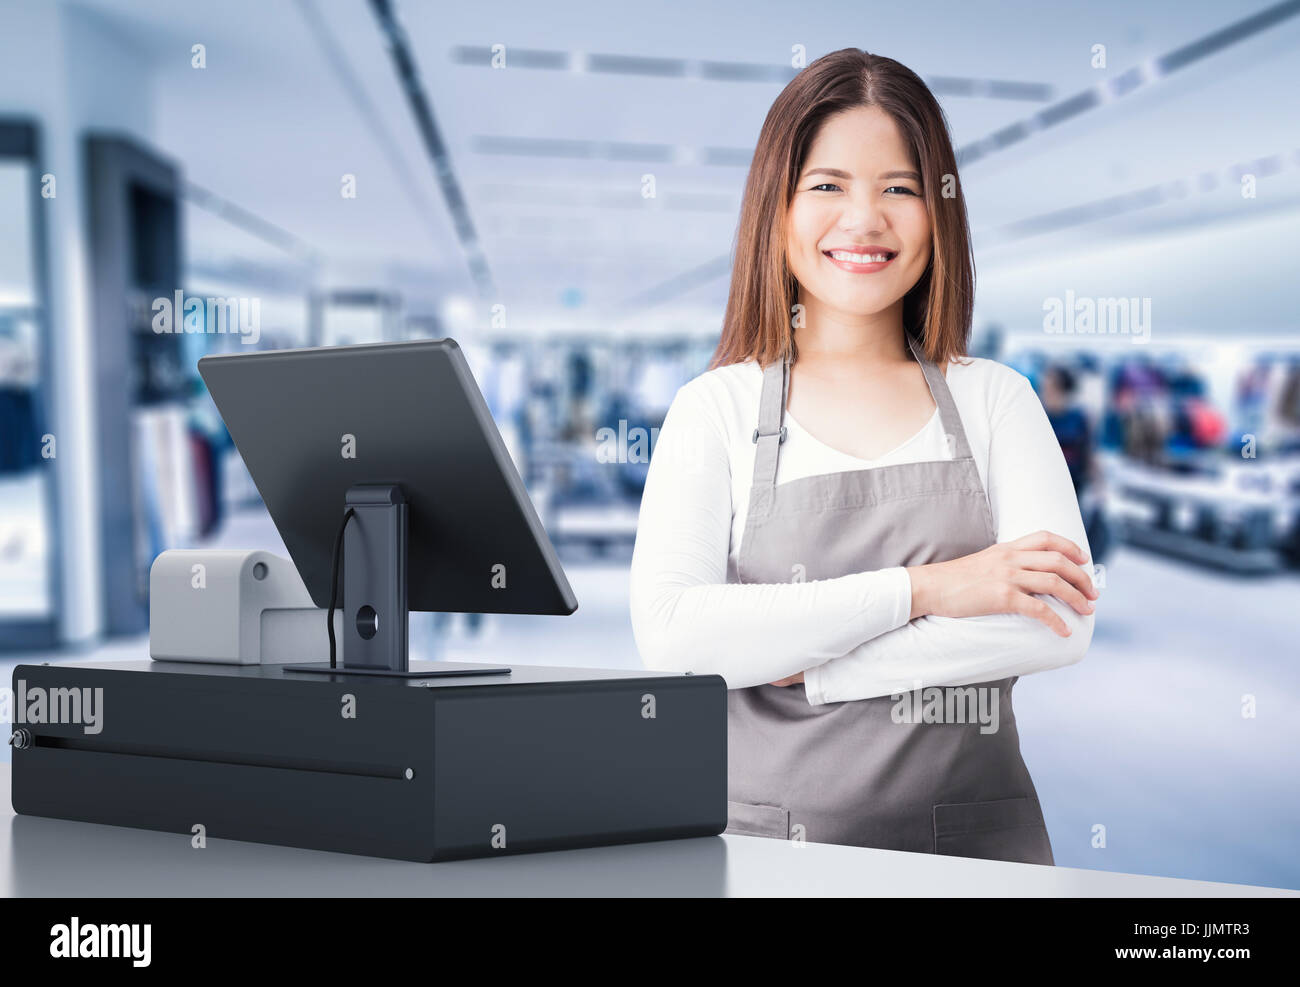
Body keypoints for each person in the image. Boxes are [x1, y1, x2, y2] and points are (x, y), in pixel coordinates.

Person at [628, 49, 1097, 864]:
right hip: (770, 856)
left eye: (900, 188)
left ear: (938, 210)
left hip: (978, 856)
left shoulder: (996, 401)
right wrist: (932, 588)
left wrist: (813, 665)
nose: (864, 220)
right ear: (775, 208)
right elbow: (674, 637)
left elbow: (1058, 624)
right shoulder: (717, 410)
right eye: (828, 185)